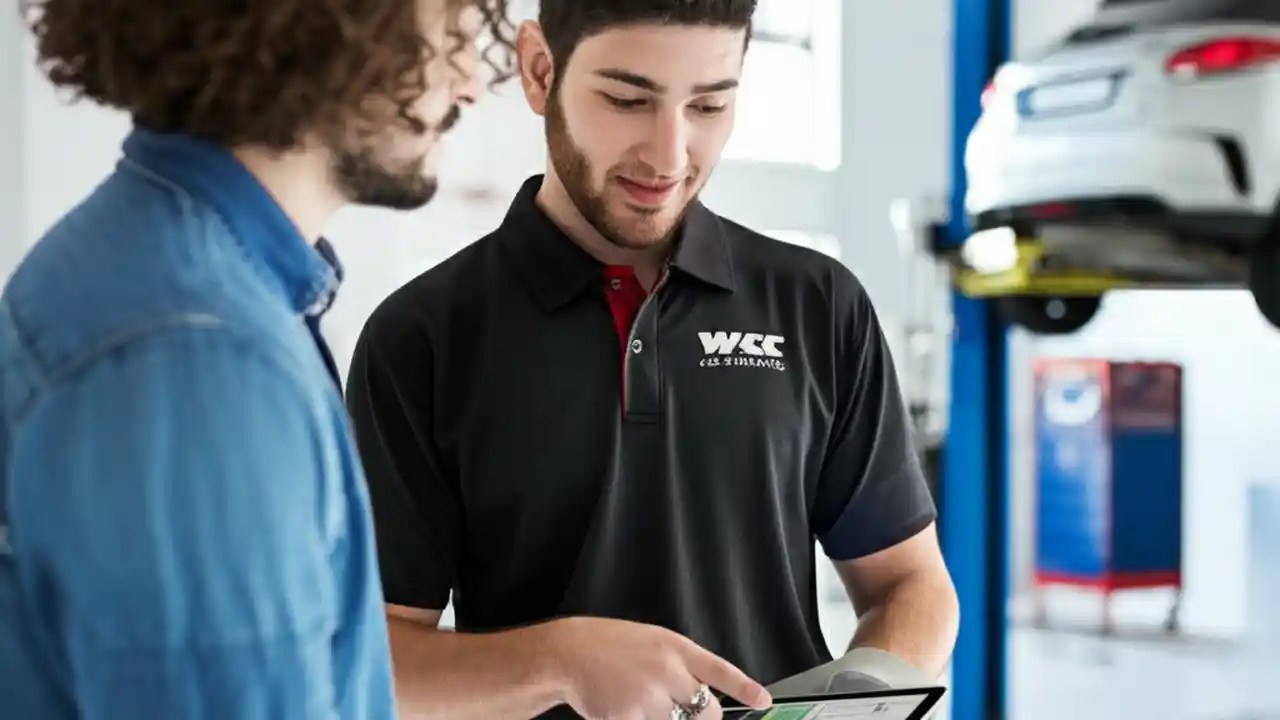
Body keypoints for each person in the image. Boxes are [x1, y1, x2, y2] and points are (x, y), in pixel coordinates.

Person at [346, 0, 961, 718]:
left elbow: (909, 583)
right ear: (540, 71)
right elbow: (374, 660)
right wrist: (558, 662)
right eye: (627, 100)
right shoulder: (421, 336)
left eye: (708, 105)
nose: (670, 155)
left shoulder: (819, 305)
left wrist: (864, 698)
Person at [0, 1, 515, 718]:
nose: (471, 86)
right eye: (449, 39)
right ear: (324, 30)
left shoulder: (175, 272)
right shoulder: (199, 361)